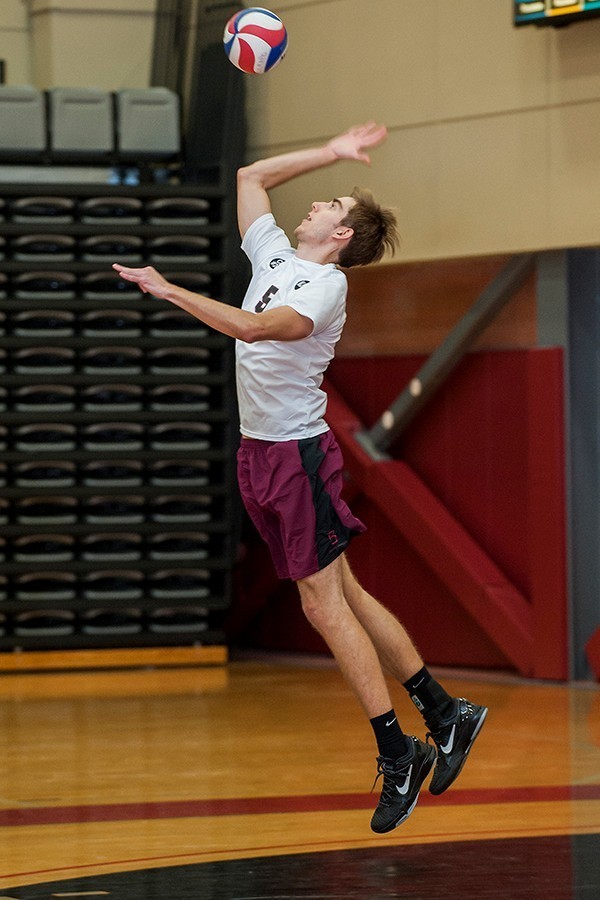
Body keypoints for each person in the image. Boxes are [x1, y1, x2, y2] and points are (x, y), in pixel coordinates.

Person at [113, 122, 487, 834]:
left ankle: (397, 749)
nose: (314, 205)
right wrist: (331, 152)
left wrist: (168, 291)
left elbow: (255, 331)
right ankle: (445, 712)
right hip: (261, 453)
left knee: (322, 606)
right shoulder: (278, 257)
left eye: (330, 204)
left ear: (341, 236)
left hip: (297, 457)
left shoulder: (322, 287)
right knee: (344, 591)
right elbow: (250, 178)